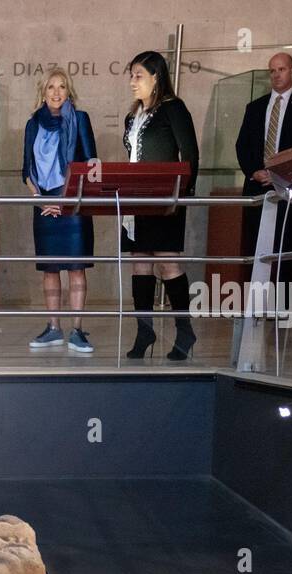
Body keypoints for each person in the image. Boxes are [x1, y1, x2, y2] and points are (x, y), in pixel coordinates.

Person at [121, 51, 199, 360]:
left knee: (168, 262)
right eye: (131, 75)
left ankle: (184, 330)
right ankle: (144, 330)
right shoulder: (134, 115)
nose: (133, 82)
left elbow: (190, 153)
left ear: (156, 78)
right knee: (139, 262)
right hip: (135, 199)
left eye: (138, 75)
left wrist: (181, 196)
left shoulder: (173, 109)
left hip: (166, 198)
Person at [23, 69, 98, 353]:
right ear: (43, 92)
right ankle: (53, 328)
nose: (56, 92)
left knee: (76, 269)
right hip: (43, 204)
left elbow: (91, 164)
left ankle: (77, 330)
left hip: (74, 203)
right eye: (51, 87)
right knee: (50, 269)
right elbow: (26, 171)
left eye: (62, 87)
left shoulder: (79, 119)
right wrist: (41, 200)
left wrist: (65, 200)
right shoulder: (33, 124)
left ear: (69, 92)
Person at [234, 52, 292, 285]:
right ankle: (255, 303)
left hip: (290, 186)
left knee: (286, 248)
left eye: (281, 69)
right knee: (255, 247)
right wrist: (254, 171)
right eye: (272, 70)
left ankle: (283, 309)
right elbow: (242, 144)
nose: (276, 75)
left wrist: (281, 174)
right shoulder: (255, 106)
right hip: (257, 185)